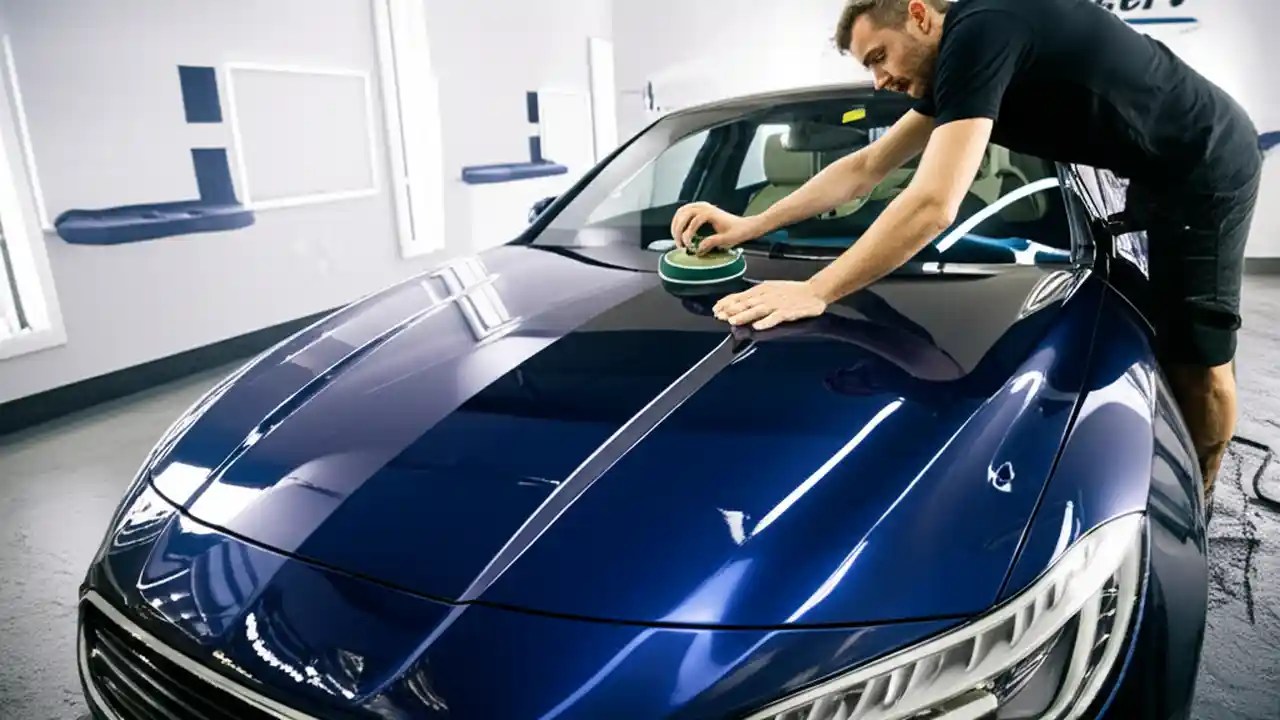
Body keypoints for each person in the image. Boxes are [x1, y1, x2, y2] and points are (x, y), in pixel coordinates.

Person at [669, 0, 1262, 500]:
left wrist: (816, 289)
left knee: (1197, 360)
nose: (877, 81)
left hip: (1206, 164)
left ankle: (1203, 492)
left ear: (920, 16)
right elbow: (866, 168)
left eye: (878, 56)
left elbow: (933, 204)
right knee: (1176, 338)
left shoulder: (984, 28)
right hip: (1154, 168)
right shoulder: (965, 60)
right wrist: (750, 224)